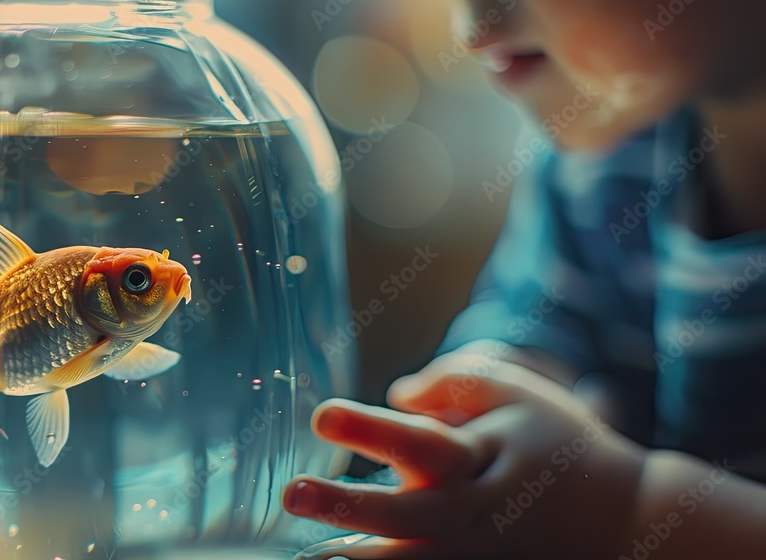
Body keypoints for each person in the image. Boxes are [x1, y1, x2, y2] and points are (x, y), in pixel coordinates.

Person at [282, 0, 766, 558]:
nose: (470, 29)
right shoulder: (602, 171)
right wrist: (488, 417)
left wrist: (621, 512)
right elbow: (542, 327)